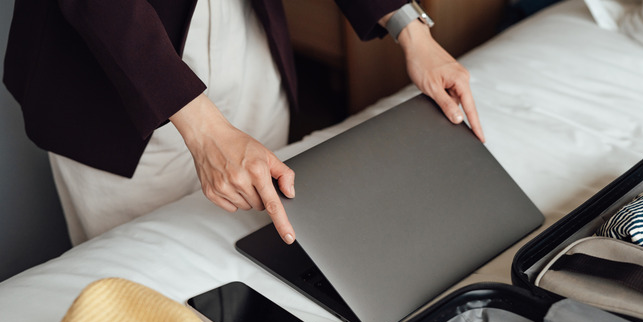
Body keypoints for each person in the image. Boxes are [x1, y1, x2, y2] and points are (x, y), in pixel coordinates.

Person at [3, 0, 484, 246]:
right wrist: (204, 129)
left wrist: (409, 28)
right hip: (111, 82)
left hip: (245, 41)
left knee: (263, 248)